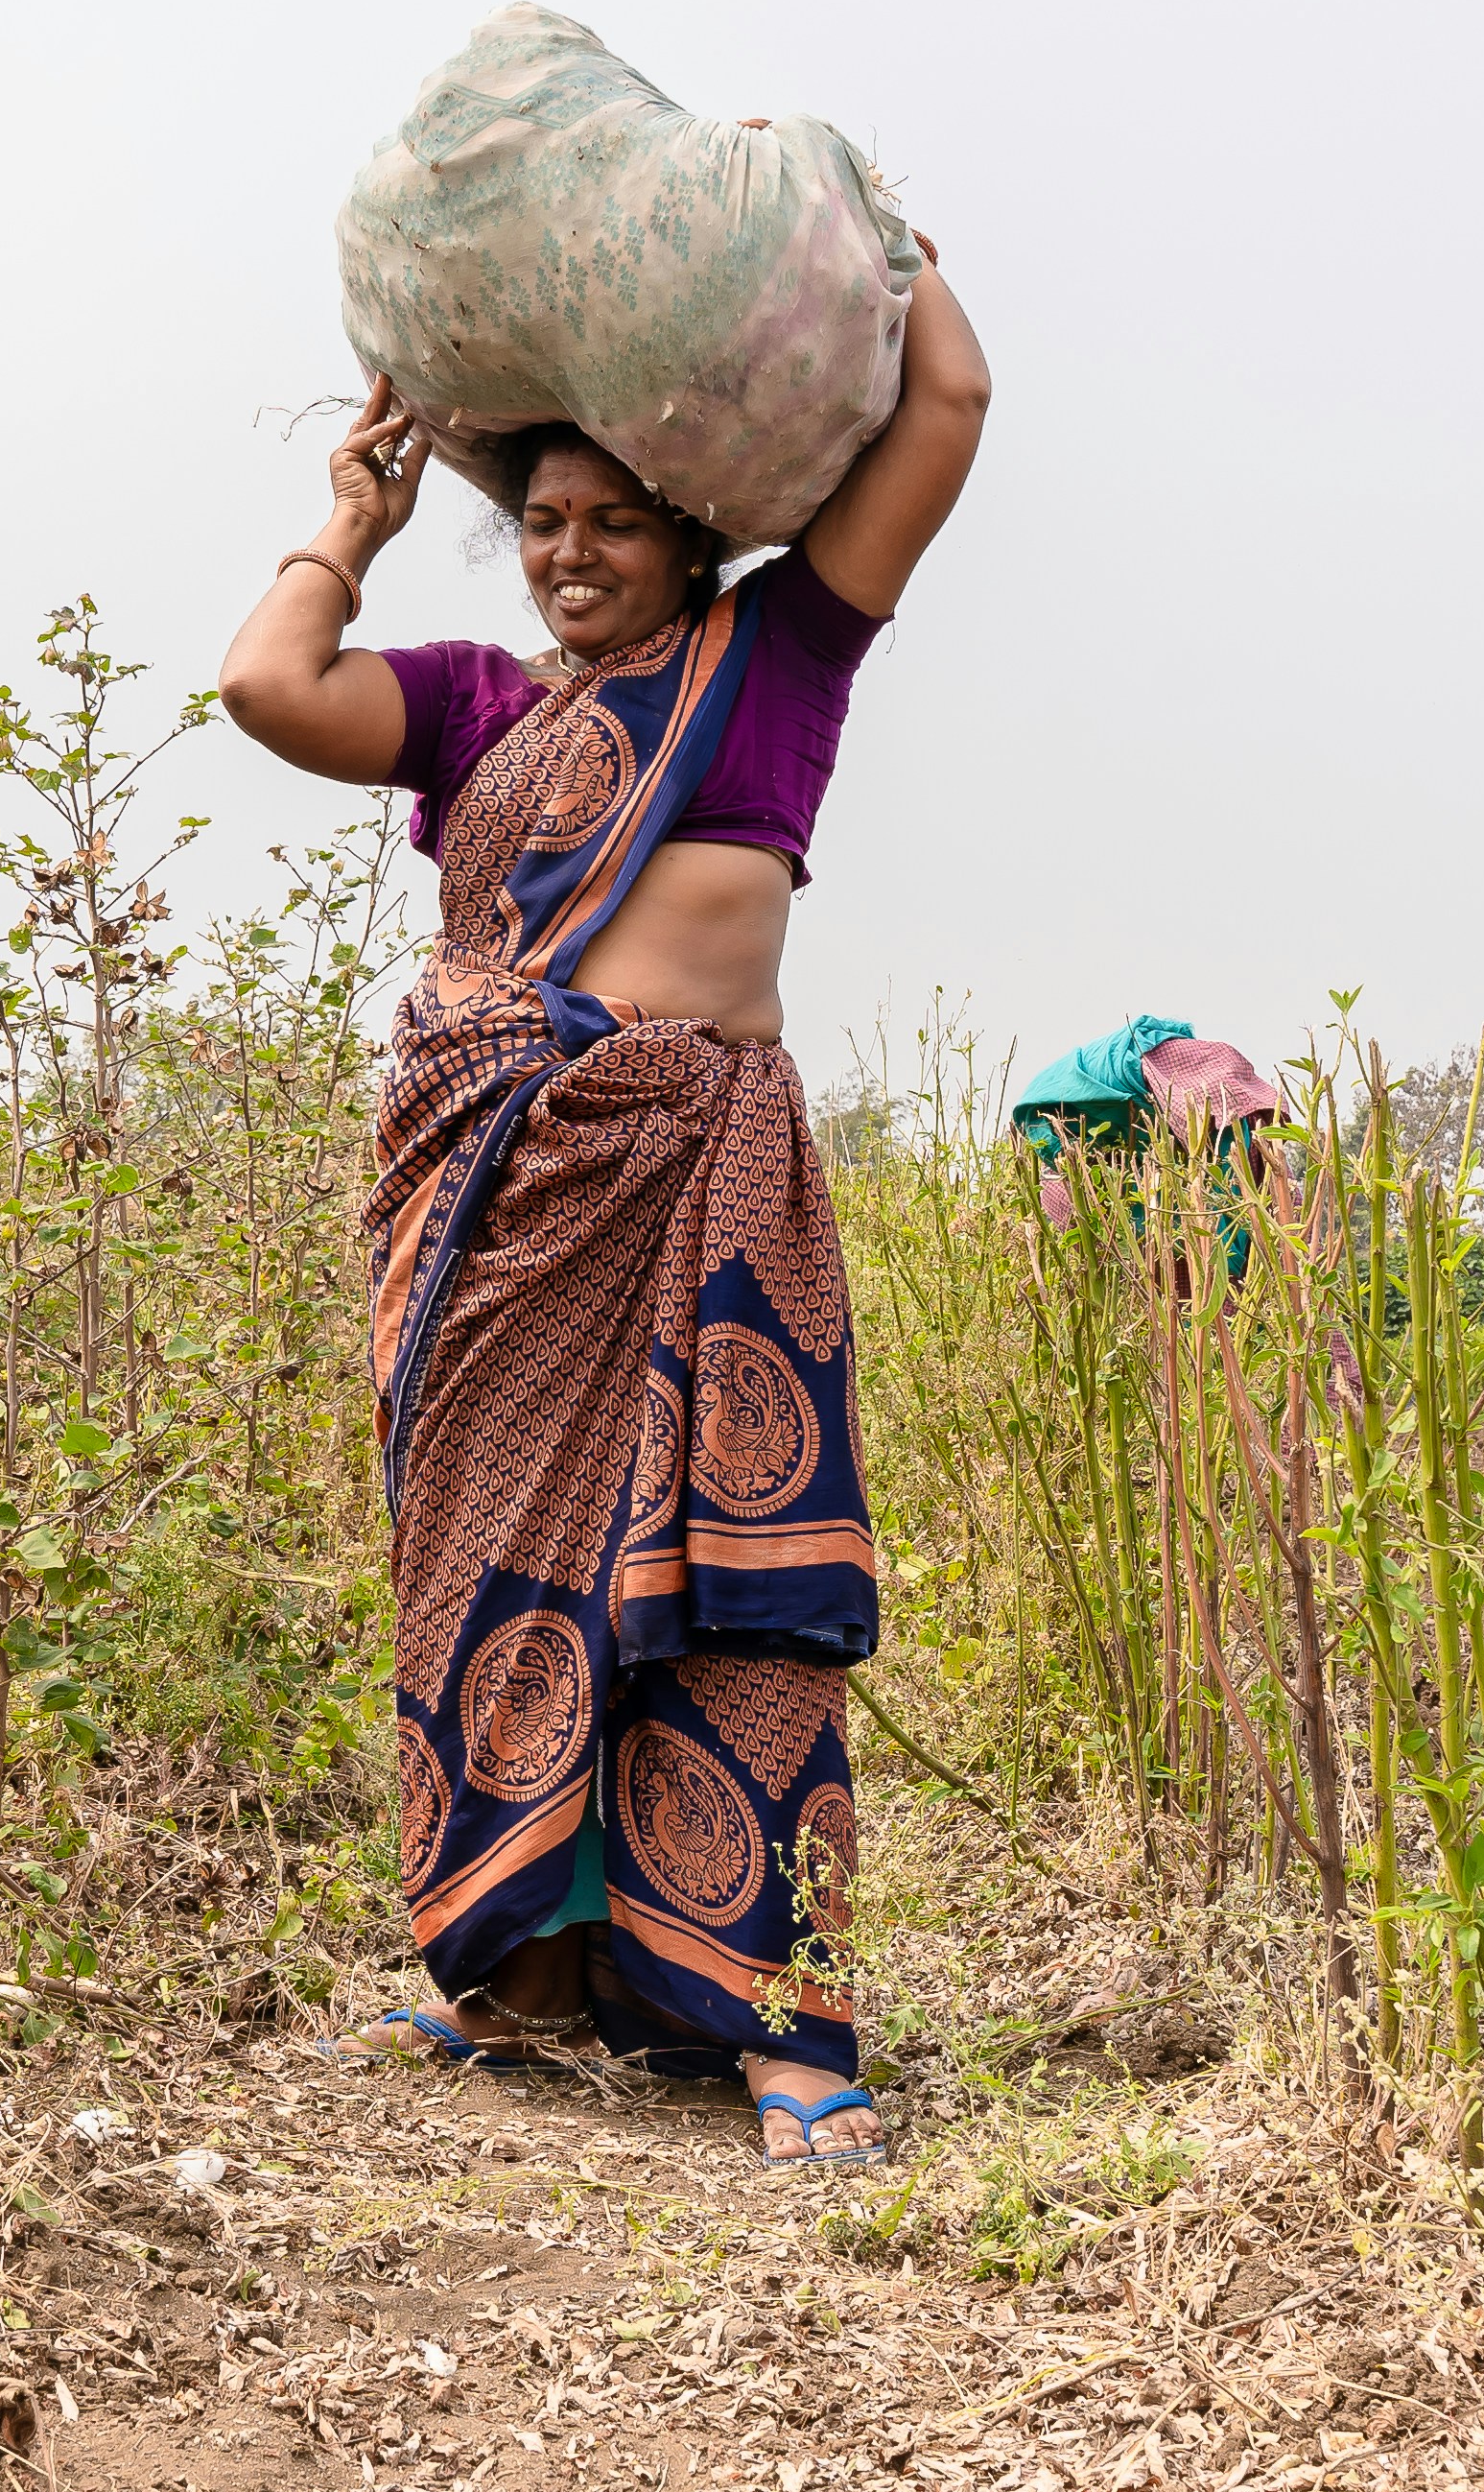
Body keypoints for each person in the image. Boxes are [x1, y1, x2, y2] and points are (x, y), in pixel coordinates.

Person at [218, 249, 990, 2163]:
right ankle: (531, 1975)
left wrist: (893, 239)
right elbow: (264, 685)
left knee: (737, 1602)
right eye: (547, 521)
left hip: (702, 1198)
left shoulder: (777, 660)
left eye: (613, 523)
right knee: (491, 1584)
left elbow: (950, 408)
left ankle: (783, 2022)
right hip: (496, 1210)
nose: (570, 552)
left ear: (687, 532)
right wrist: (355, 516)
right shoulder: (482, 704)